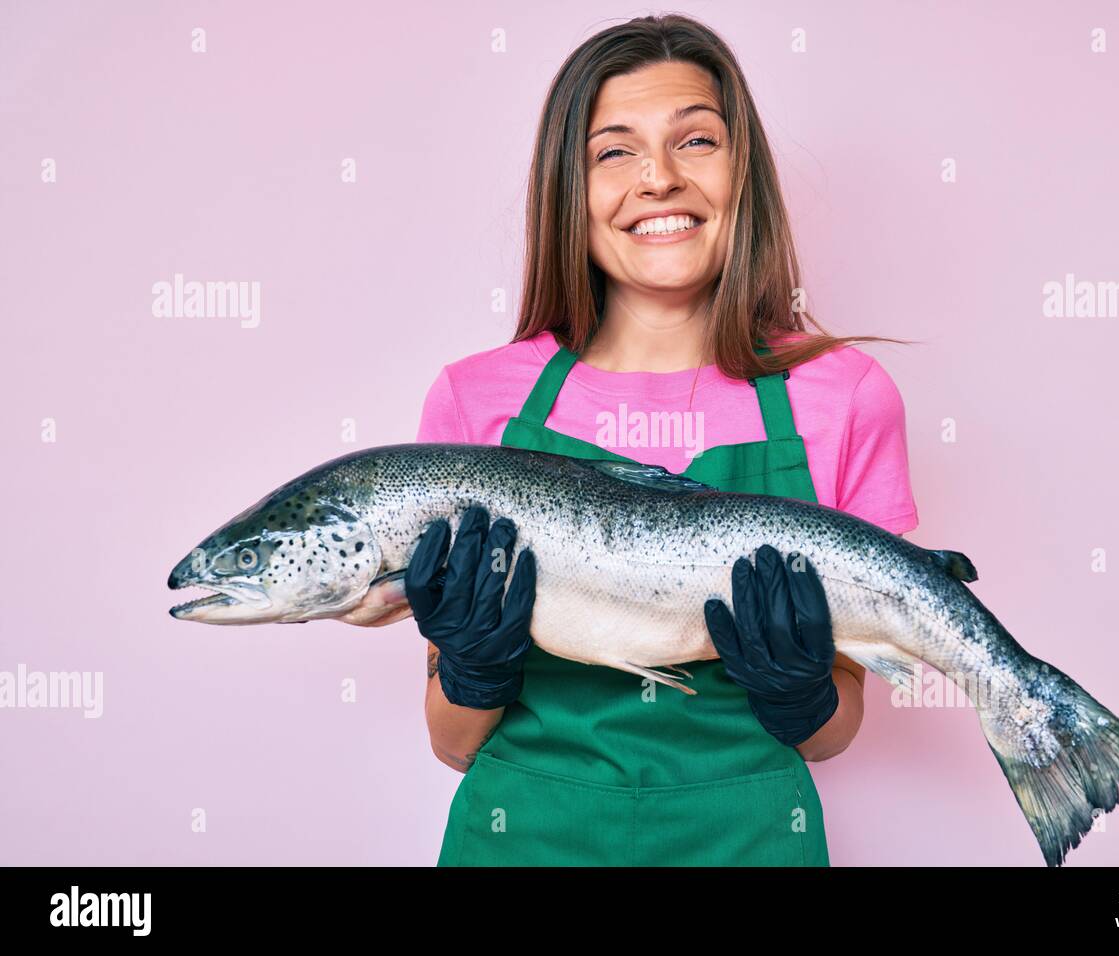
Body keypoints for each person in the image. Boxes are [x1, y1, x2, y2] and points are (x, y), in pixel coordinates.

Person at [347, 14, 919, 866]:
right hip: (524, 840)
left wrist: (803, 697)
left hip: (754, 840)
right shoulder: (477, 400)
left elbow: (833, 733)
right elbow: (453, 741)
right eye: (614, 151)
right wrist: (469, 669)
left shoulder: (842, 399)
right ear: (568, 191)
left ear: (743, 174)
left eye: (697, 141)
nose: (658, 178)